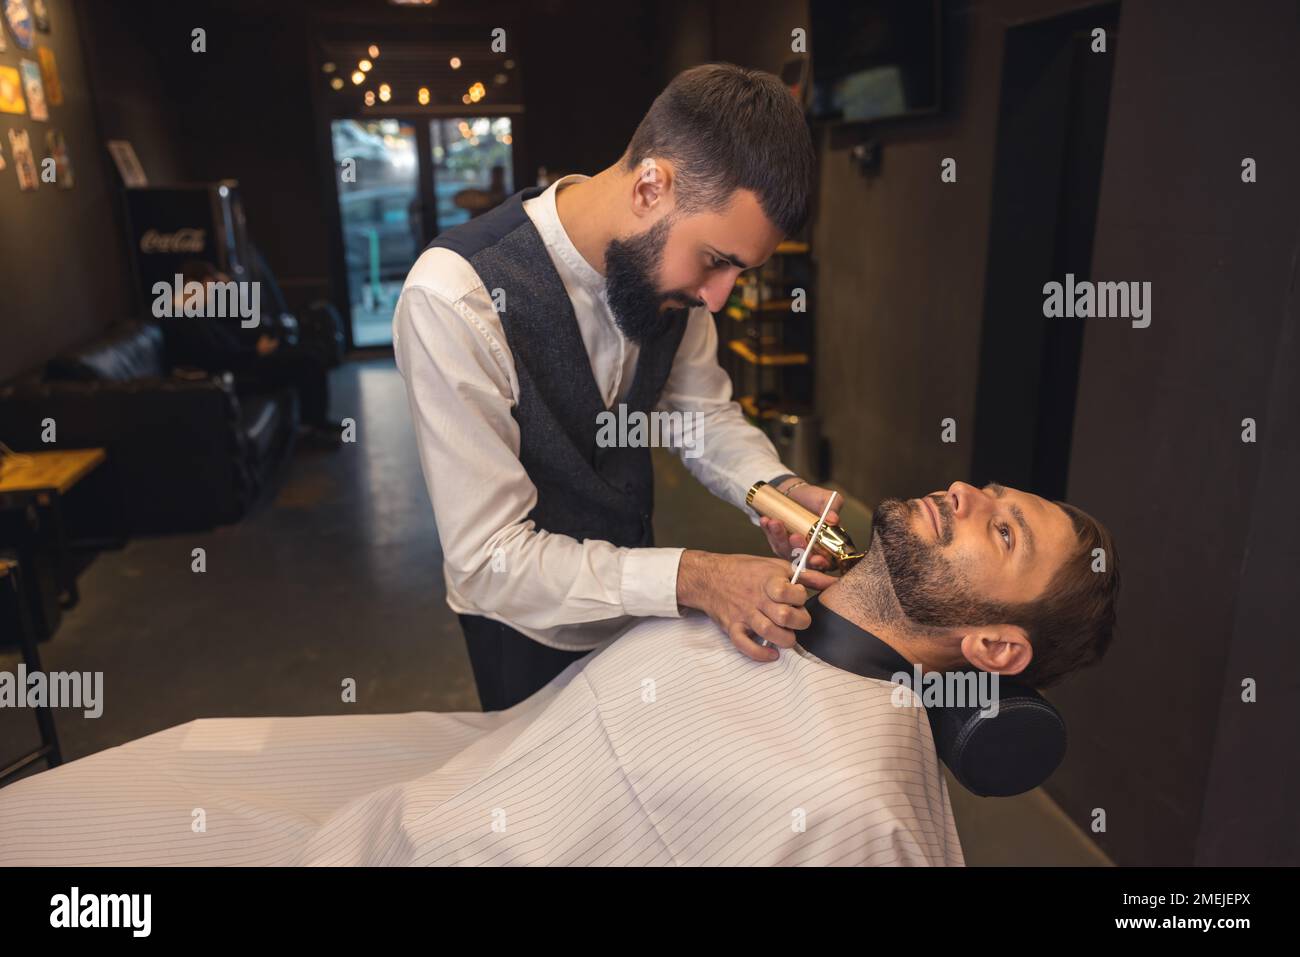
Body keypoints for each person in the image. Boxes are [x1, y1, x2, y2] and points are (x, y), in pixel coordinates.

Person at [0, 481, 1120, 866]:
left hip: (425, 841)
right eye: (990, 491)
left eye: (1003, 536)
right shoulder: (774, 596)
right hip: (438, 789)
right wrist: (695, 577)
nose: (969, 496)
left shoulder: (850, 800)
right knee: (165, 767)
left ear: (993, 651)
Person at [394, 63, 841, 712]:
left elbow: (701, 416)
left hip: (642, 613)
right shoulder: (454, 298)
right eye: (716, 261)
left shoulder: (676, 285)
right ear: (650, 185)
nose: (716, 299)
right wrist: (696, 576)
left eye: (738, 272)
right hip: (524, 628)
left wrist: (774, 492)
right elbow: (489, 559)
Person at [168, 258, 343, 450]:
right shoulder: (181, 318)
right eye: (209, 288)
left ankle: (317, 422)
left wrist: (229, 285)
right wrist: (256, 351)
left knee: (309, 351)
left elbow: (233, 326)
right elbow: (213, 357)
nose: (212, 294)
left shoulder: (193, 310)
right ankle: (313, 427)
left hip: (243, 360)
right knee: (308, 361)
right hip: (237, 372)